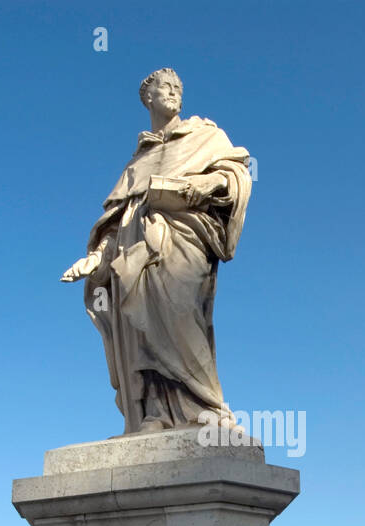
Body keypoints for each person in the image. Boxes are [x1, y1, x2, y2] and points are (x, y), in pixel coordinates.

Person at [61, 68, 253, 434]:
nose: (175, 92)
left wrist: (205, 184)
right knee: (140, 326)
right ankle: (156, 414)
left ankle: (205, 408)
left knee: (183, 317)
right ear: (147, 98)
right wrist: (97, 256)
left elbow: (235, 175)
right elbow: (118, 218)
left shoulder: (205, 136)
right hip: (136, 249)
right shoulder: (137, 160)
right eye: (166, 87)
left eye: (179, 87)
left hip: (184, 239)